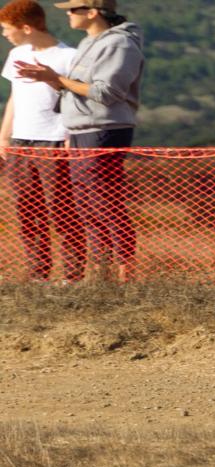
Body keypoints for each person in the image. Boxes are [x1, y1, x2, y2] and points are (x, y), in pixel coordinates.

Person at [17, 0, 140, 283]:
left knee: (103, 201)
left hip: (105, 129)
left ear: (93, 12)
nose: (68, 14)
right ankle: (100, 274)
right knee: (85, 204)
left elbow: (106, 93)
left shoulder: (120, 44)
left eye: (73, 9)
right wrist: (50, 80)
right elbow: (78, 89)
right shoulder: (88, 43)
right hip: (82, 129)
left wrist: (56, 77)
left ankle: (124, 274)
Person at [1, 0, 82, 282]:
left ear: (26, 27)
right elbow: (15, 97)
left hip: (54, 141)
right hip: (20, 143)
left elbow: (75, 99)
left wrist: (70, 136)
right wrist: (3, 136)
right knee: (28, 211)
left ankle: (72, 276)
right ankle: (38, 274)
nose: (4, 34)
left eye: (7, 29)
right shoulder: (16, 54)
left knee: (62, 209)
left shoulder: (68, 57)